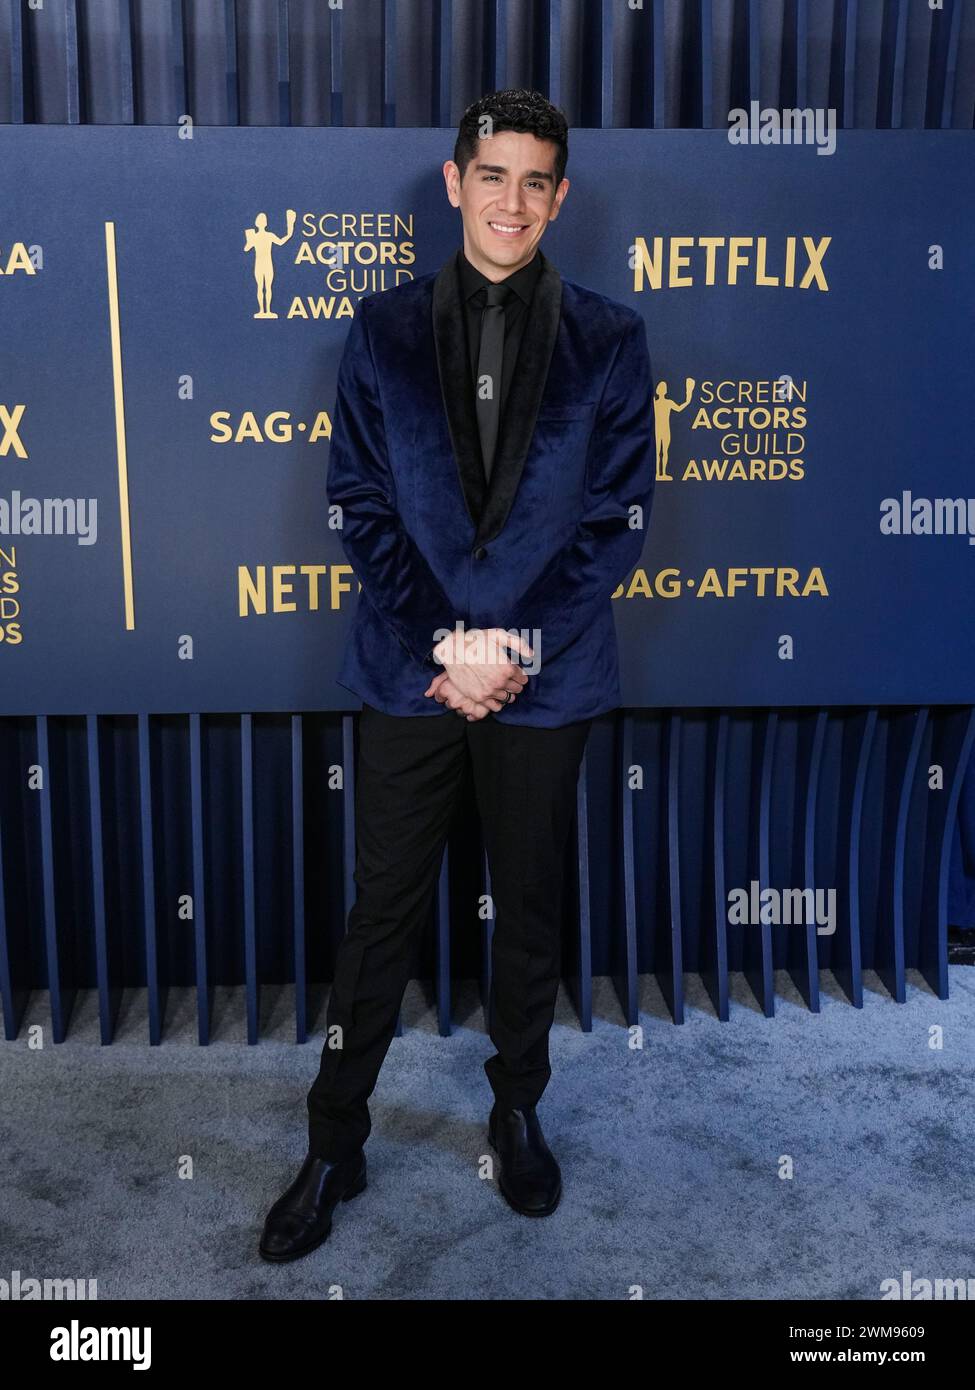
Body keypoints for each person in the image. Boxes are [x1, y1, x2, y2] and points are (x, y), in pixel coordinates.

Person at [260, 88, 655, 1262]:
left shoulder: (612, 339)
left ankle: (517, 1107)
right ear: (454, 182)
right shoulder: (380, 331)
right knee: (379, 916)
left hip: (550, 679)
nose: (514, 200)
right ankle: (335, 1140)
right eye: (495, 175)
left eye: (538, 180)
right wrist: (449, 639)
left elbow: (618, 519)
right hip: (408, 673)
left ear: (561, 195)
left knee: (528, 906)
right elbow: (358, 502)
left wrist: (512, 647)